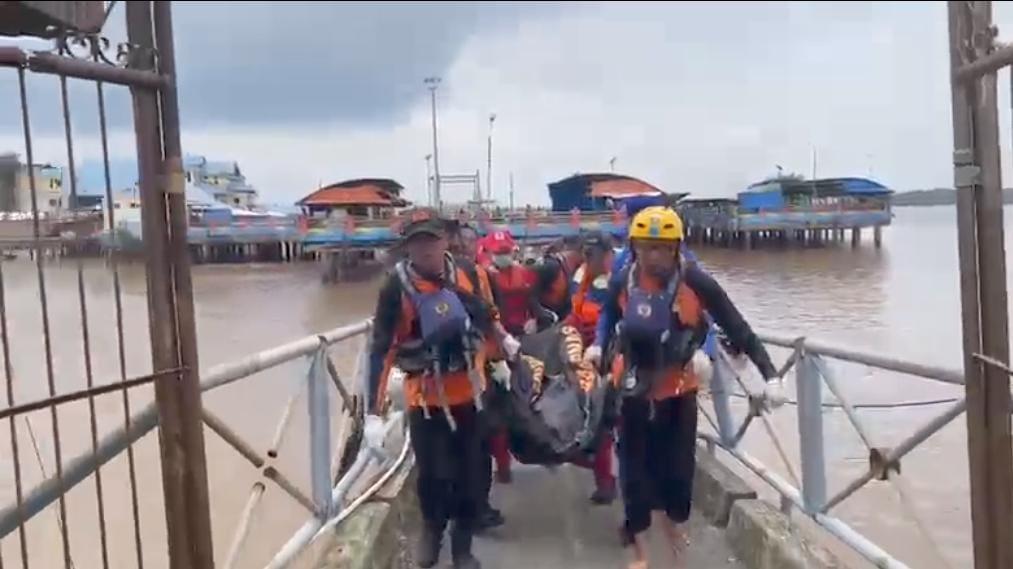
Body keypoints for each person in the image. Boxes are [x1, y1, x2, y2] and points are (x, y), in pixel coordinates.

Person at [584, 206, 782, 569]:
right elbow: (608, 315)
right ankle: (642, 551)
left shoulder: (697, 282)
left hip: (679, 391)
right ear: (635, 247)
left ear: (677, 248)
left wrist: (771, 375)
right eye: (646, 247)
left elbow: (738, 328)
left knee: (677, 478)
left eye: (663, 248)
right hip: (633, 391)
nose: (654, 256)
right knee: (634, 476)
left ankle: (674, 538)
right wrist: (597, 343)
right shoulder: (623, 279)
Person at [367, 209, 517, 569]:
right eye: (418, 243)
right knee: (434, 476)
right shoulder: (396, 287)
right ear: (408, 248)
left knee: (470, 475)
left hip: (470, 393)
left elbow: (487, 316)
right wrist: (372, 412)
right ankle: (432, 535)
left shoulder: (469, 273)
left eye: (432, 240)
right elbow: (381, 349)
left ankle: (462, 548)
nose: (427, 250)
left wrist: (502, 353)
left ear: (446, 240)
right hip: (426, 400)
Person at [447, 221, 510, 530]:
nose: (464, 246)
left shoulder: (483, 275)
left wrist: (501, 357)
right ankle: (467, 510)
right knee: (464, 448)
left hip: (479, 370)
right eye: (460, 241)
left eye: (469, 241)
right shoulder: (440, 278)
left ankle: (478, 508)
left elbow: (491, 315)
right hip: (451, 372)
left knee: (480, 443)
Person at [563, 230, 619, 505]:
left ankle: (608, 482)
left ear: (609, 255)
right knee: (588, 418)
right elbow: (575, 313)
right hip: (585, 356)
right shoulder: (579, 279)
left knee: (605, 422)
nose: (591, 260)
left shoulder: (617, 282)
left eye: (596, 255)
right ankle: (603, 475)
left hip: (612, 356)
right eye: (587, 254)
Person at [532, 234, 583, 323]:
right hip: (544, 323)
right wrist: (541, 312)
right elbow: (528, 291)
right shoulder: (551, 266)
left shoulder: (576, 270)